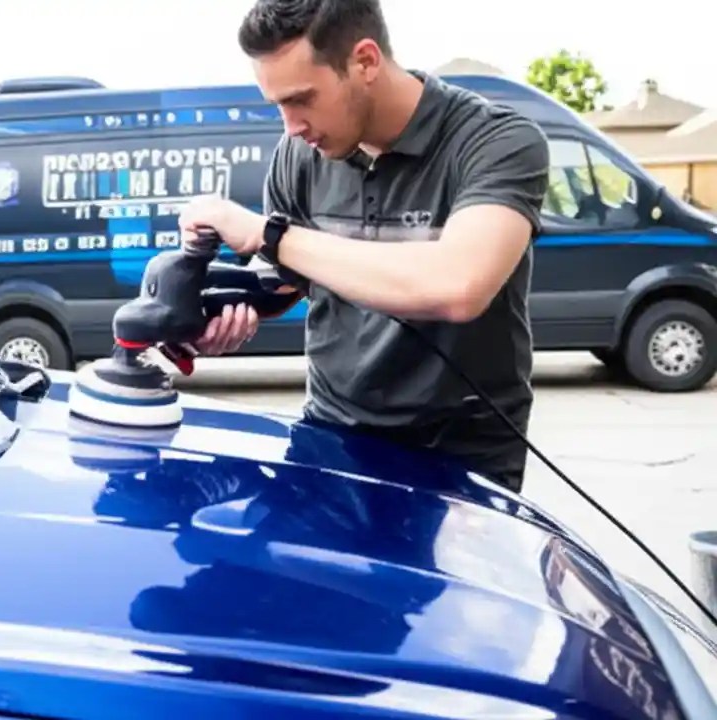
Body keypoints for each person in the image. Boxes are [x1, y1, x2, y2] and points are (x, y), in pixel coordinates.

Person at [177, 0, 550, 493]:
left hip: (464, 446)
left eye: (302, 99)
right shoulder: (300, 154)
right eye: (279, 106)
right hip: (333, 431)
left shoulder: (496, 142)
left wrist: (270, 235)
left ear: (365, 62)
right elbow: (294, 278)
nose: (290, 126)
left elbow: (459, 285)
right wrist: (221, 312)